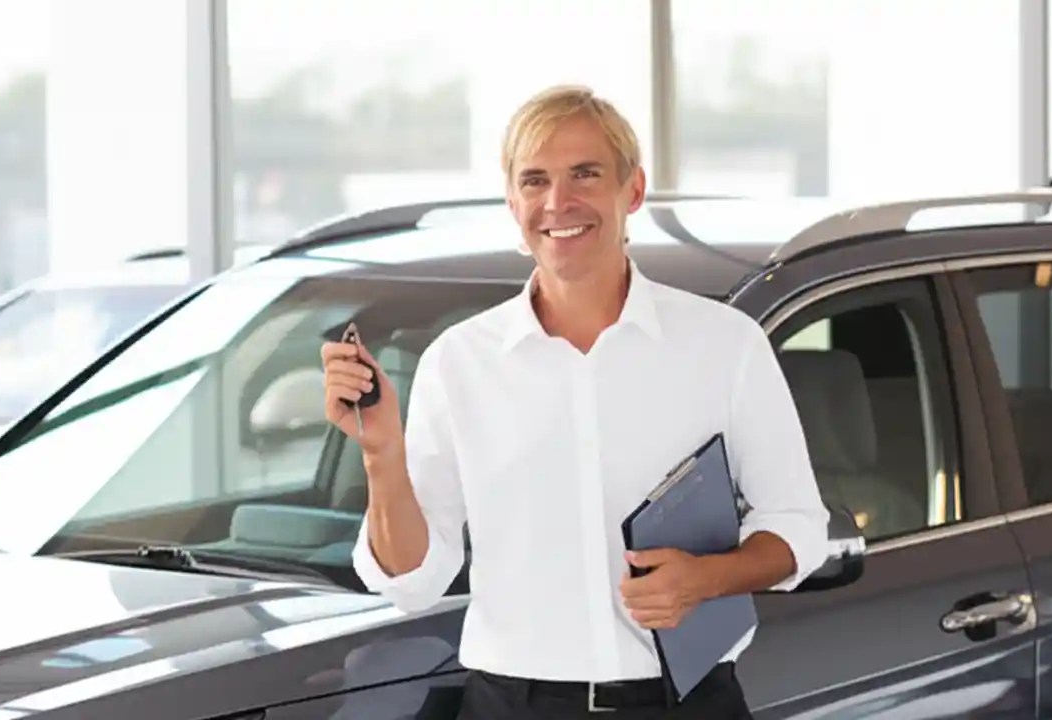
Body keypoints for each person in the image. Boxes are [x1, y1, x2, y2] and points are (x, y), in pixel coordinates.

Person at [320, 85, 829, 719]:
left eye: (584, 174)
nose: (558, 202)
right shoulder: (459, 363)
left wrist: (707, 579)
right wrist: (381, 455)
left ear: (632, 190)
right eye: (535, 181)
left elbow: (799, 527)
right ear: (513, 203)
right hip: (513, 707)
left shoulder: (725, 345)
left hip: (688, 702)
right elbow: (413, 581)